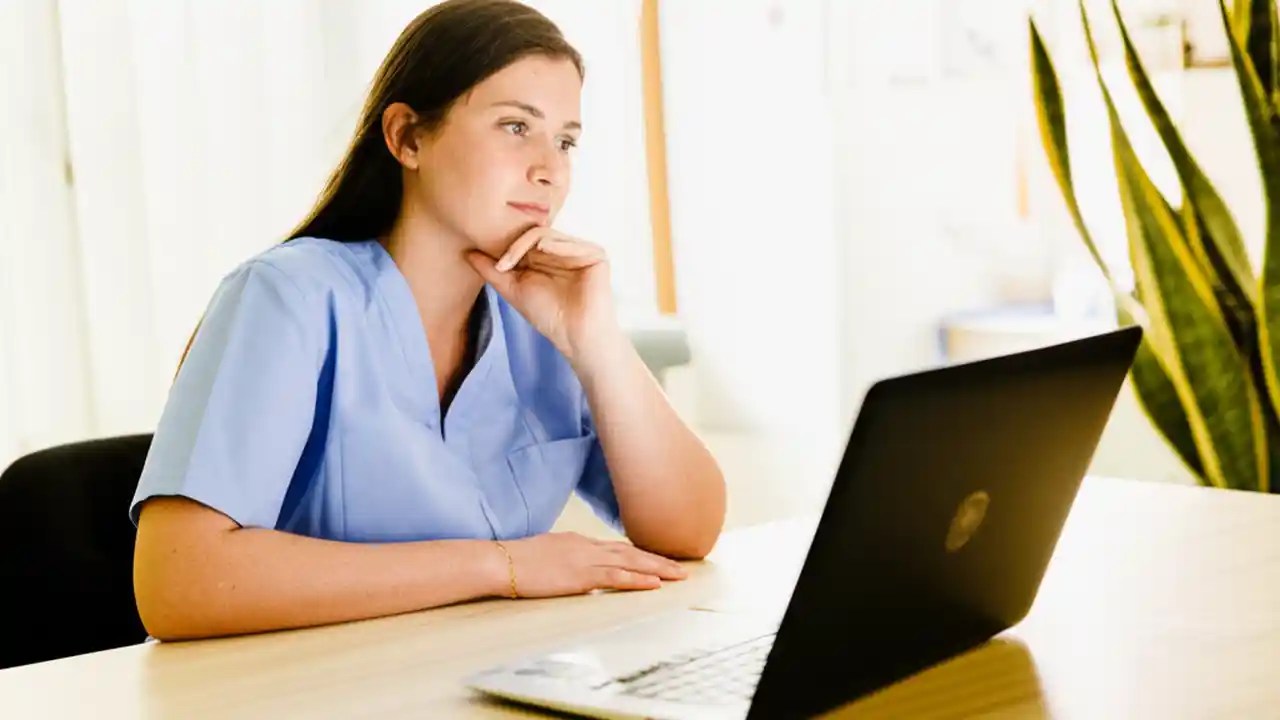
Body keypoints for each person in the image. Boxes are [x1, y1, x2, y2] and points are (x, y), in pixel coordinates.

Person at [130, 0, 726, 642]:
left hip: (472, 675)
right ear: (408, 138)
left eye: (566, 140)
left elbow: (687, 531)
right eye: (515, 127)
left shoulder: (544, 321)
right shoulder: (288, 297)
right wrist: (501, 566)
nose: (550, 169)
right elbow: (177, 582)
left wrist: (599, 342)